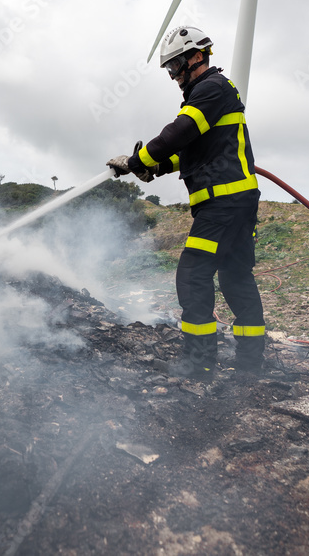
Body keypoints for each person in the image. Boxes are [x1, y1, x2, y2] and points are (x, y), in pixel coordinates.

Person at [107, 26, 266, 380]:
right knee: (236, 277)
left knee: (193, 274)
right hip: (237, 203)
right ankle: (250, 365)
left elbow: (178, 133)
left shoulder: (210, 89)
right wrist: (157, 167)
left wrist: (138, 161)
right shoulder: (214, 95)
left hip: (222, 205)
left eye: (173, 66)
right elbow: (195, 153)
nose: (172, 75)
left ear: (195, 57)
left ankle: (200, 364)